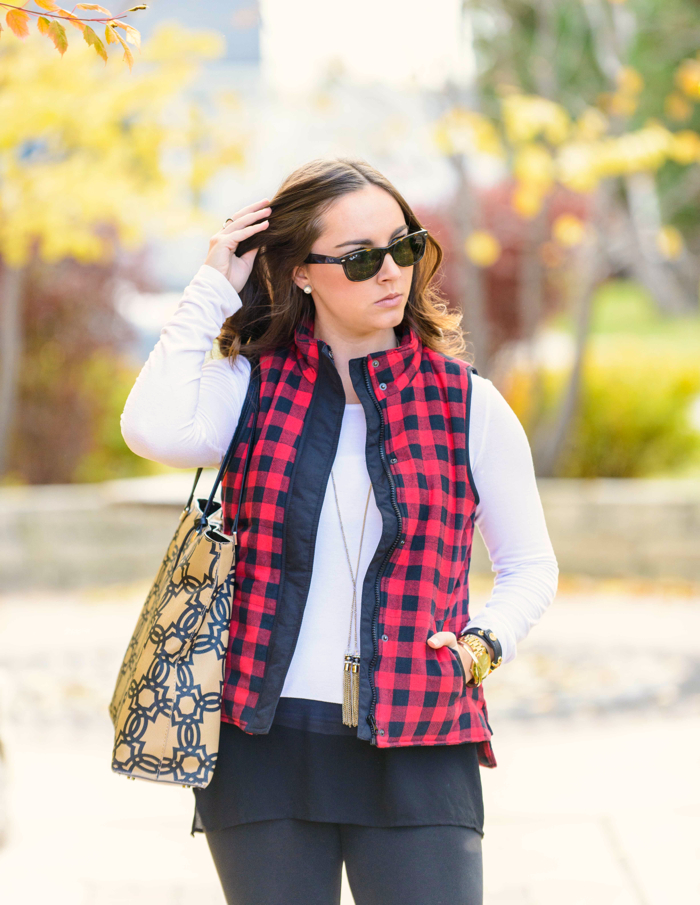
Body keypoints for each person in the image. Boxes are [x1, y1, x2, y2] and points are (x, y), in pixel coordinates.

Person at [121, 156, 559, 905]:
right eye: (360, 258)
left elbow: (530, 566)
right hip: (263, 740)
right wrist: (211, 286)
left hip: (421, 735)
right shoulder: (247, 389)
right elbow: (151, 426)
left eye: (405, 246)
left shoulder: (468, 406)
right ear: (299, 272)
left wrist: (482, 646)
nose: (391, 272)